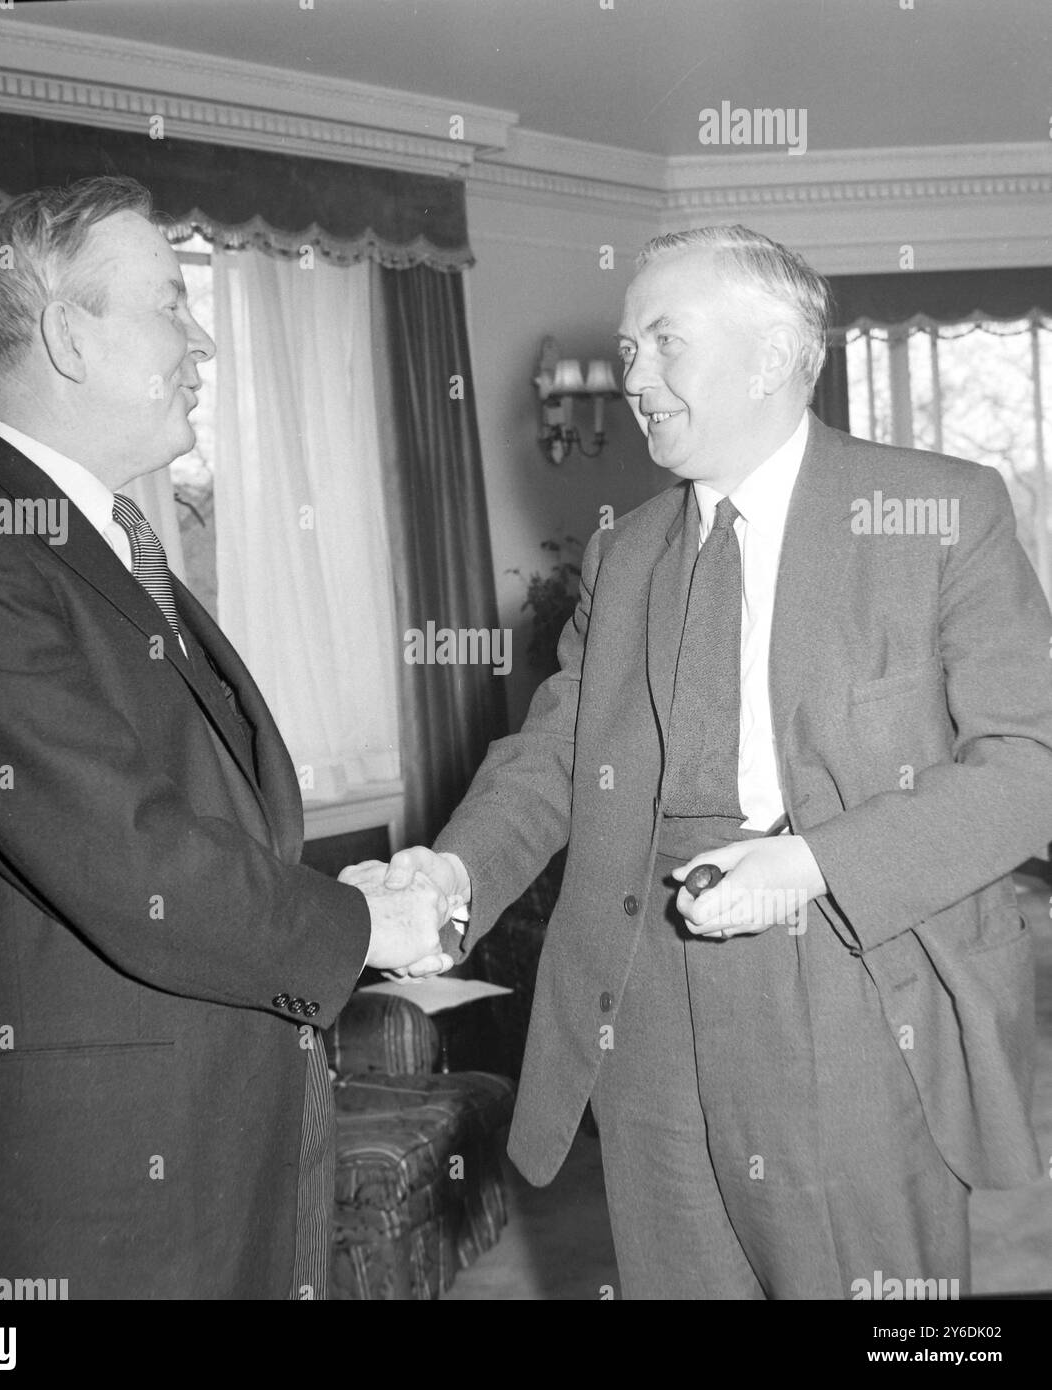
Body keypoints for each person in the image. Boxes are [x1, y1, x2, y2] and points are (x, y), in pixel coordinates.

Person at [368, 225, 1052, 1299]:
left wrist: (810, 864)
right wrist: (453, 875)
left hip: (852, 978)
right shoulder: (623, 548)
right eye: (627, 345)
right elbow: (557, 751)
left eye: (661, 340)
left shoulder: (938, 512)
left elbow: (1029, 763)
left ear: (773, 356)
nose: (629, 373)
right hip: (640, 1000)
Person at [0, 175, 450, 1300]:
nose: (204, 343)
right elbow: (132, 859)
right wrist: (366, 921)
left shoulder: (106, 547)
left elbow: (191, 820)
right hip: (85, 1203)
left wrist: (345, 893)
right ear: (66, 338)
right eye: (170, 305)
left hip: (222, 1152)